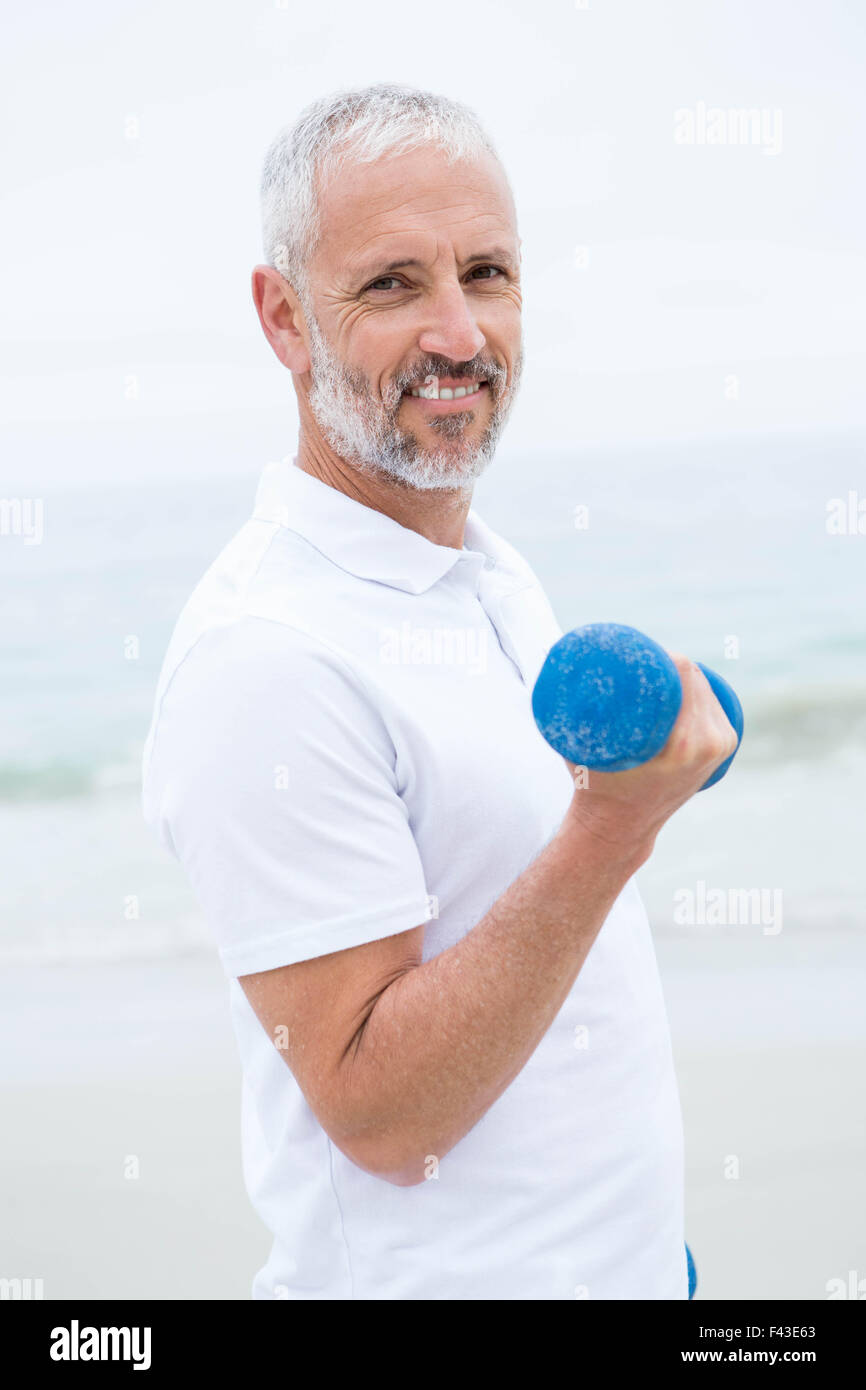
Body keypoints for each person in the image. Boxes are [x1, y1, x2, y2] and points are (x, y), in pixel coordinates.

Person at [141, 82, 737, 1300]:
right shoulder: (265, 657)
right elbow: (382, 1115)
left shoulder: (478, 568)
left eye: (487, 272)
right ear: (284, 317)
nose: (460, 332)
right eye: (392, 284)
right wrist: (613, 826)